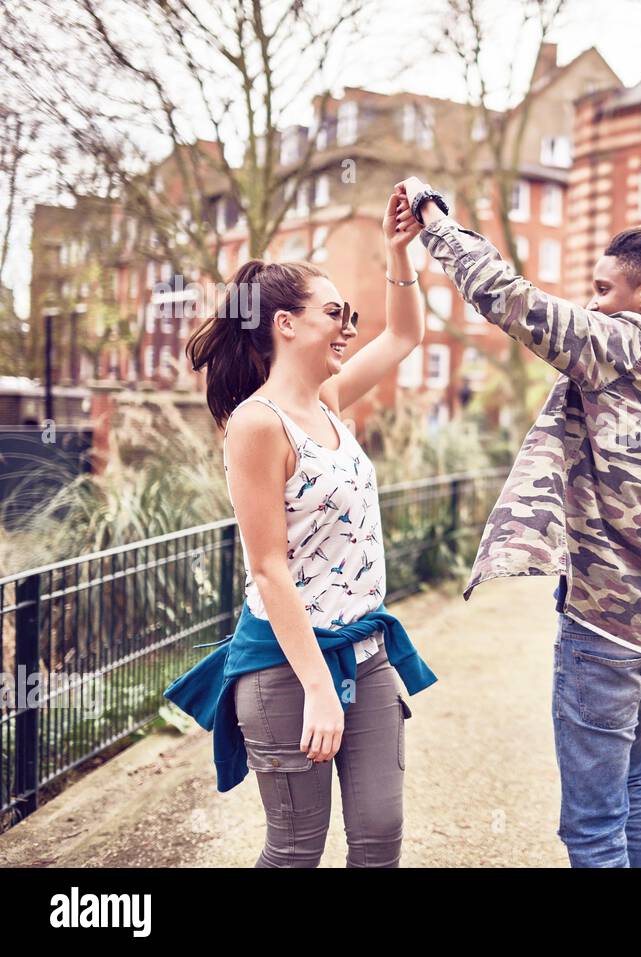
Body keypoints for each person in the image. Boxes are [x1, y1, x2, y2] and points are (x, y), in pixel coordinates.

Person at [399, 179, 641, 868]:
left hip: (604, 631)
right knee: (638, 789)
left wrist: (434, 221)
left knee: (596, 829)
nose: (593, 303)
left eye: (602, 289)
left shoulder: (614, 346)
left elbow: (506, 297)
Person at [164, 186, 438, 867]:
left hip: (367, 650)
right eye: (335, 313)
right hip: (287, 669)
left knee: (379, 837)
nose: (349, 324)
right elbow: (268, 567)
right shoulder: (260, 423)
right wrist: (319, 685)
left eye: (351, 313)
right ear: (284, 323)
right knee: (295, 848)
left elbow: (405, 335)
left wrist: (399, 252)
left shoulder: (329, 399)